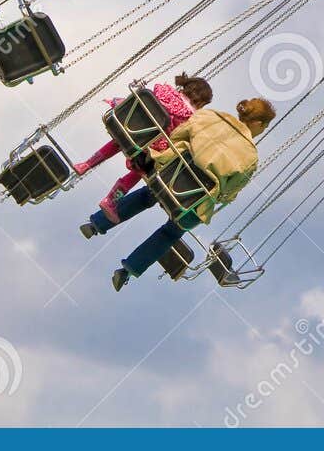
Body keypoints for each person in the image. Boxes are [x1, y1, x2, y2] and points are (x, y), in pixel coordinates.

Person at [80, 98, 275, 291]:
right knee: (172, 232)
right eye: (265, 127)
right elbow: (229, 194)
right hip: (190, 202)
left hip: (168, 177)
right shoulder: (250, 156)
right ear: (258, 123)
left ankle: (96, 224)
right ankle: (127, 270)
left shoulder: (210, 116)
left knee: (148, 194)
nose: (262, 131)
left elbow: (177, 135)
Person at [73, 74, 214, 224]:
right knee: (144, 169)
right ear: (200, 102)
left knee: (121, 139)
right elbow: (178, 135)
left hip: (130, 125)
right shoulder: (189, 117)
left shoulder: (165, 91)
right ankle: (111, 200)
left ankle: (86, 164)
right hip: (149, 146)